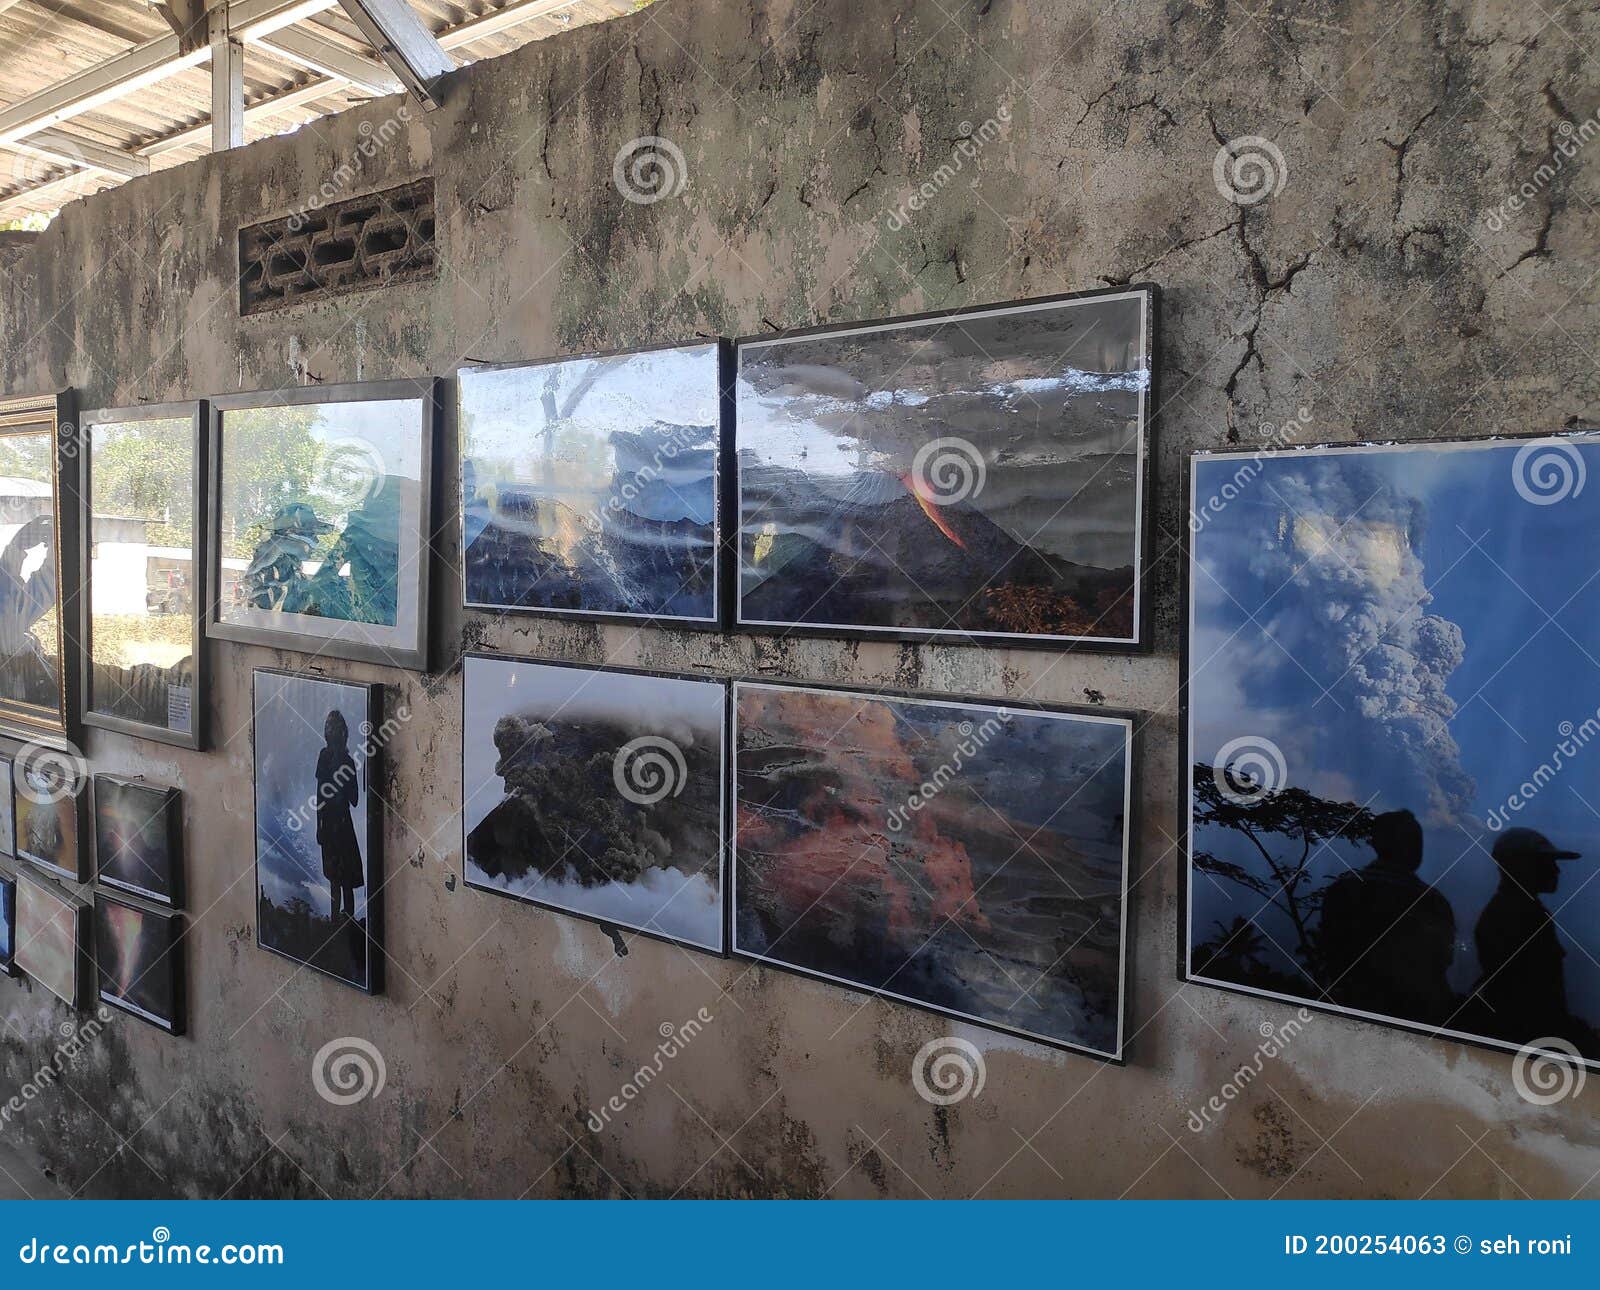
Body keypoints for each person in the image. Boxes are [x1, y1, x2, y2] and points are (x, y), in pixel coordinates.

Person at [1316, 809, 1457, 1024]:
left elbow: (1330, 953)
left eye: (1418, 840)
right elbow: (1442, 961)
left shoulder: (1346, 889)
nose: (1419, 848)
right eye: (1412, 840)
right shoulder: (1431, 900)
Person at [1469, 828, 1593, 1054]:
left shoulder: (1518, 913)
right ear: (1523, 866)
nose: (1556, 870)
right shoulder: (1520, 917)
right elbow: (1532, 999)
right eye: (1546, 862)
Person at [315, 709, 364, 922]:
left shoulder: (340, 759)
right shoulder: (333, 758)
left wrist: (320, 824)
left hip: (337, 823)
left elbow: (351, 798)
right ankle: (339, 919)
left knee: (341, 879)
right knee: (340, 879)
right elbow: (323, 796)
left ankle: (342, 919)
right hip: (337, 824)